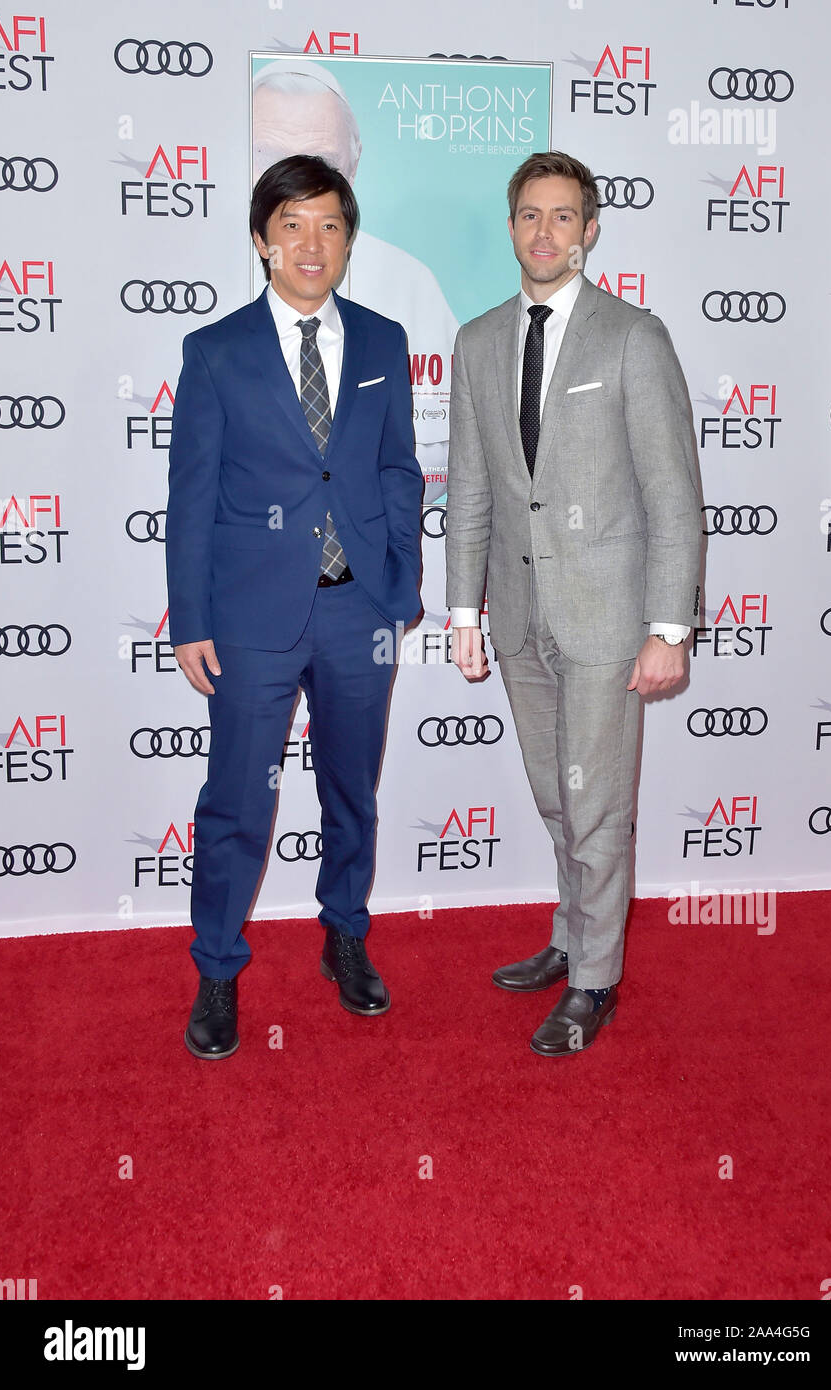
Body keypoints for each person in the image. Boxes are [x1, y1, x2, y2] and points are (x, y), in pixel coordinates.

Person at [445, 151, 702, 1057]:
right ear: (510, 227)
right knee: (559, 796)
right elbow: (471, 489)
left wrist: (668, 627)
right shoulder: (477, 343)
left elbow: (673, 495)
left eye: (563, 216)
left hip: (605, 621)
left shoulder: (634, 337)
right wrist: (464, 613)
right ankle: (570, 934)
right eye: (528, 216)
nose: (544, 233)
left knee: (596, 804)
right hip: (517, 617)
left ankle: (596, 978)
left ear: (590, 229)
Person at [166, 155, 423, 1059]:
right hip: (249, 620)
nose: (312, 244)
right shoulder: (217, 351)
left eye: (330, 226)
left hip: (360, 612)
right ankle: (218, 969)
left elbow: (399, 469)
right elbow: (192, 495)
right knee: (236, 800)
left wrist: (401, 585)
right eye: (293, 226)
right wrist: (190, 618)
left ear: (348, 240)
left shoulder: (385, 341)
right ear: (262, 239)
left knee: (352, 789)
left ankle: (344, 934)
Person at [252, 57, 458, 503]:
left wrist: (399, 566)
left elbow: (427, 461)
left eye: (322, 161)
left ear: (354, 159)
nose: (297, 181)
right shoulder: (214, 346)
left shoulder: (407, 290)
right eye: (268, 157)